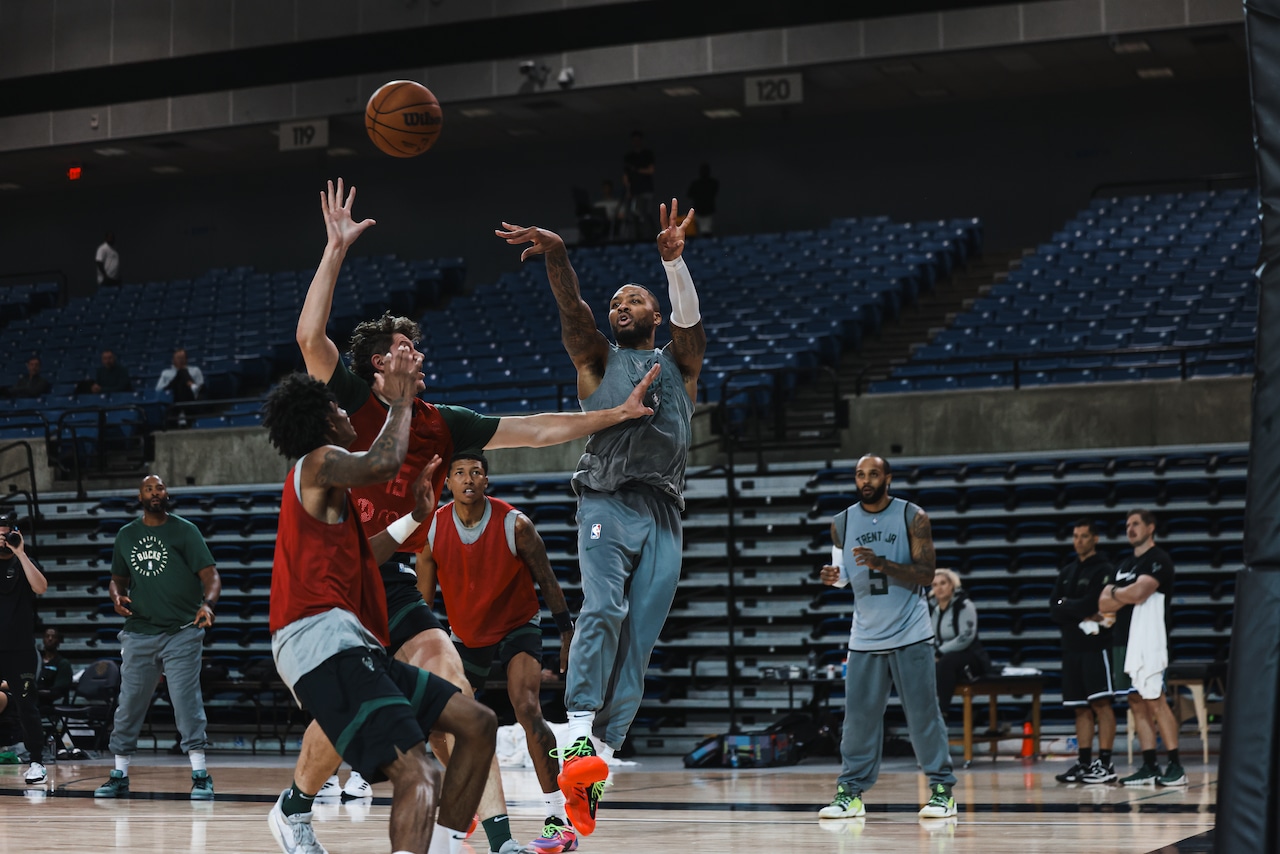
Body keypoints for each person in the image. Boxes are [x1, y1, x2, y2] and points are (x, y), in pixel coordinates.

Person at [291, 178, 660, 854]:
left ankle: (496, 840)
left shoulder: (441, 424)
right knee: (344, 707)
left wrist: (617, 413)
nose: (419, 357)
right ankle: (294, 806)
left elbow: (540, 429)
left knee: (457, 694)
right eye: (406, 350)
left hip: (390, 579)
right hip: (336, 580)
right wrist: (335, 250)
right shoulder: (349, 400)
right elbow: (309, 334)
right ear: (377, 365)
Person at [495, 197, 705, 837]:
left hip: (664, 510)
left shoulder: (680, 364)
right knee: (604, 610)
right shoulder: (596, 360)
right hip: (607, 499)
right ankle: (579, 729)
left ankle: (591, 777)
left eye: (634, 298)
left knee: (637, 643)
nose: (622, 305)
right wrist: (558, 254)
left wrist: (672, 267)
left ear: (653, 314)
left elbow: (692, 325)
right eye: (617, 300)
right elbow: (573, 310)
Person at [261, 361, 497, 854]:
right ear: (324, 420)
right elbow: (384, 461)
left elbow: (366, 554)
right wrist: (402, 400)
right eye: (338, 406)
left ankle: (446, 846)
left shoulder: (328, 493)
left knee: (478, 725)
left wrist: (414, 515)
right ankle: (299, 812)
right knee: (419, 773)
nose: (347, 411)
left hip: (351, 641)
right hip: (320, 642)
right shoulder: (319, 460)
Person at [418, 452, 579, 854]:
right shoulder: (432, 530)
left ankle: (559, 820)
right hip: (468, 634)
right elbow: (422, 603)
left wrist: (566, 634)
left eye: (475, 472)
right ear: (448, 483)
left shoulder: (516, 524)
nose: (467, 479)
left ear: (487, 480)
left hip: (516, 626)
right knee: (437, 724)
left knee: (527, 708)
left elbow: (547, 578)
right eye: (458, 473)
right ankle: (472, 799)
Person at [815, 454, 957, 822]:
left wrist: (883, 564)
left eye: (873, 474)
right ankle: (851, 792)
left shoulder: (914, 516)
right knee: (858, 720)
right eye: (860, 474)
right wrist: (834, 577)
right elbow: (846, 573)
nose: (866, 480)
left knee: (924, 716)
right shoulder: (841, 523)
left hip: (911, 632)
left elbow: (926, 574)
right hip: (864, 636)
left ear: (887, 478)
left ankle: (942, 790)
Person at [94, 474, 221, 800]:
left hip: (182, 631)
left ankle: (200, 775)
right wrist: (116, 596)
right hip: (140, 632)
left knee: (185, 702)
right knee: (129, 705)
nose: (155, 492)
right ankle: (119, 774)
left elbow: (211, 576)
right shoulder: (126, 535)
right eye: (149, 488)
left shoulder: (185, 530)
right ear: (140, 496)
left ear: (167, 493)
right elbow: (117, 580)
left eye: (160, 487)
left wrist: (207, 604)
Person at [1099, 509, 1184, 787]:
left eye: (1136, 524)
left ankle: (1175, 765)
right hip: (1122, 640)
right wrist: (1122, 595)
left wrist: (1118, 594)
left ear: (1150, 528)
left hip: (1149, 640)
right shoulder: (1122, 564)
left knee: (1155, 700)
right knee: (1135, 702)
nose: (1130, 528)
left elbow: (1139, 593)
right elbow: (1103, 603)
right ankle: (1149, 765)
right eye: (1127, 525)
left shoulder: (1159, 560)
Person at [1050, 518, 1118, 785]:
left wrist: (1069, 605)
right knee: (1079, 708)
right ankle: (1084, 762)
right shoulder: (1067, 571)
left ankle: (1106, 762)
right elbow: (1053, 608)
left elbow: (1094, 602)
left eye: (1084, 536)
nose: (1079, 541)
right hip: (1071, 646)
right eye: (1076, 536)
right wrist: (1074, 607)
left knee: (1101, 702)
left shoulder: (1105, 569)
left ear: (1095, 539)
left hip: (1096, 646)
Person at [0, 509, 50, 785]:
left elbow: (41, 587)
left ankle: (37, 762)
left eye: (5, 534)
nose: (1, 539)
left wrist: (20, 553)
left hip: (19, 649)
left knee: (26, 706)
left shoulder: (24, 561)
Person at [928, 568, 987, 717]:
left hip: (969, 654)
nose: (939, 588)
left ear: (952, 585)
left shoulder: (964, 605)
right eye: (935, 585)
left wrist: (940, 652)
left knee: (947, 662)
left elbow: (965, 637)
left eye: (943, 583)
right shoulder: (930, 608)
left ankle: (942, 712)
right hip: (941, 654)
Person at [622, 131, 657, 238]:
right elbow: (626, 176)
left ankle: (652, 235)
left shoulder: (647, 154)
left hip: (646, 189)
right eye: (634, 140)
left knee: (647, 213)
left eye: (638, 140)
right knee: (635, 214)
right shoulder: (629, 157)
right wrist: (628, 190)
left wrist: (638, 170)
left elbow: (651, 170)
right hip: (634, 191)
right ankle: (638, 236)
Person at [37, 627, 73, 705]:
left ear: (58, 641)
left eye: (54, 637)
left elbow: (58, 691)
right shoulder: (37, 661)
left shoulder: (63, 663)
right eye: (47, 636)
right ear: (43, 639)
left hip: (47, 702)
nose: (50, 639)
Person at [686, 163, 719, 236]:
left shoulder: (713, 183)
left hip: (708, 212)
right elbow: (689, 195)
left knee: (706, 233)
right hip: (697, 211)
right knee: (692, 233)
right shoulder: (696, 184)